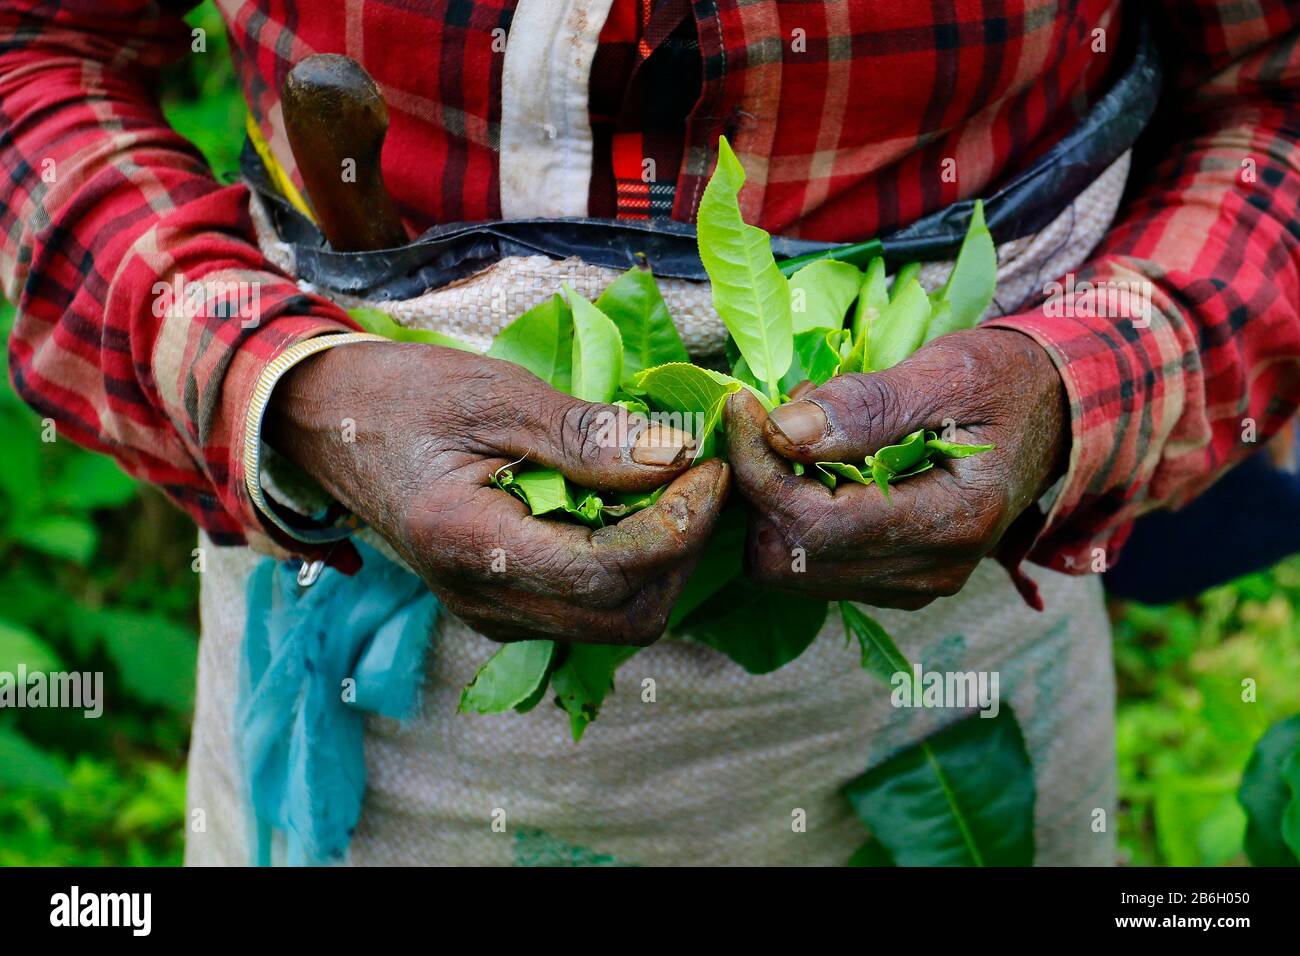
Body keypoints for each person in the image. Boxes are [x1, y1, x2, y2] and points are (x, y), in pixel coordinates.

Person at [1, 0, 1297, 866]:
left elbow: (1274, 92)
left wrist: (1081, 384)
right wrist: (288, 387)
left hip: (956, 672)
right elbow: (32, 47)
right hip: (371, 676)